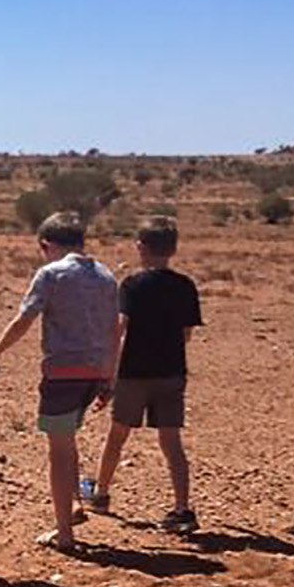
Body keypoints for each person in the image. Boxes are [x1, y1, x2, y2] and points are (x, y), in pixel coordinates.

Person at [0, 211, 118, 552]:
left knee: (58, 450)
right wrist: (109, 377)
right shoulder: (106, 275)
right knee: (67, 440)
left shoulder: (51, 274)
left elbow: (24, 319)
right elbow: (114, 329)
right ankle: (73, 504)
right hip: (95, 371)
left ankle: (64, 534)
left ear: (46, 244)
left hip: (62, 373)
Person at [87, 215, 203, 533]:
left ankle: (101, 493)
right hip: (171, 372)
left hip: (134, 372)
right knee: (171, 442)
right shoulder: (185, 286)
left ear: (141, 247)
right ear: (174, 249)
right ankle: (182, 509)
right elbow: (186, 335)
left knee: (117, 436)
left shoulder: (133, 285)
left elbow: (119, 332)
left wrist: (108, 376)